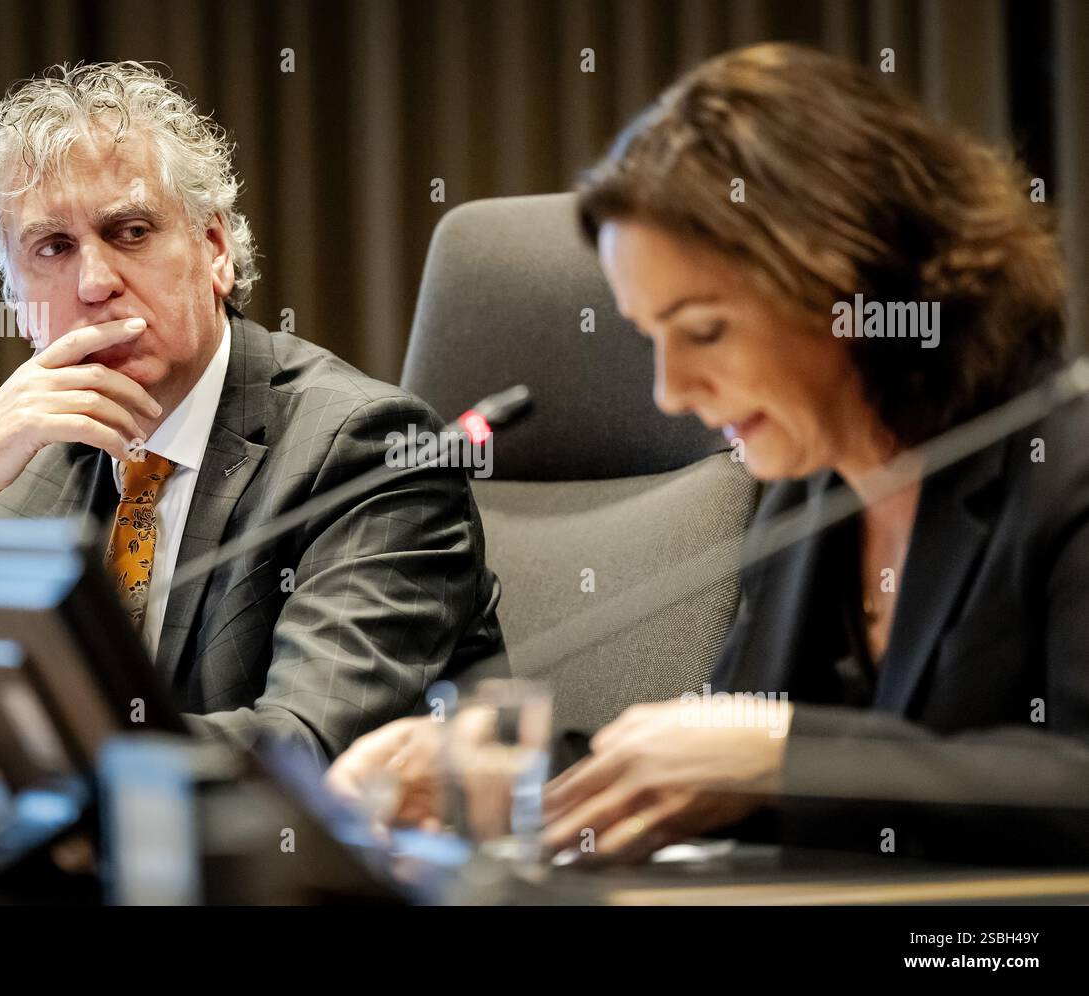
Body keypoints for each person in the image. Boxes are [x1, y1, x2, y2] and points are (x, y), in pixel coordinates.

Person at [328, 42, 1089, 864]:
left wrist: (782, 758)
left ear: (857, 287)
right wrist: (489, 778)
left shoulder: (1064, 468)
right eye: (652, 337)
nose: (670, 390)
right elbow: (718, 779)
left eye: (704, 331)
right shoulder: (815, 492)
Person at [0, 61, 503, 767]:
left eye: (130, 231)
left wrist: (15, 748)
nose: (96, 283)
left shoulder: (365, 451)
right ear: (14, 298)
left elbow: (306, 750)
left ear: (215, 249)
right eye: (53, 247)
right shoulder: (25, 466)